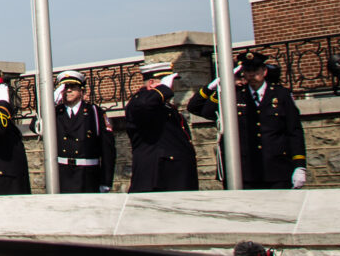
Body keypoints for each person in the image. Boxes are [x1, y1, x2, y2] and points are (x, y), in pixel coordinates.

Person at [232, 52, 308, 189]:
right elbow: (201, 108)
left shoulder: (281, 95)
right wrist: (218, 85)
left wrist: (299, 166)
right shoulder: (236, 96)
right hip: (248, 172)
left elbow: (294, 131)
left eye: (256, 70)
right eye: (248, 70)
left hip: (278, 170)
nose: (252, 74)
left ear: (264, 71)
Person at [123, 61, 199, 192]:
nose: (171, 88)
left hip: (175, 177)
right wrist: (163, 89)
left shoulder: (166, 107)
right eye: (167, 83)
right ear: (152, 83)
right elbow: (145, 104)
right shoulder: (138, 102)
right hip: (158, 177)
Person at [52, 70, 115, 193]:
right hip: (63, 174)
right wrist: (49, 104)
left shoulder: (94, 112)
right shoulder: (55, 113)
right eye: (65, 88)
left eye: (73, 87)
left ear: (81, 91)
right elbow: (36, 127)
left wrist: (106, 181)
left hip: (87, 175)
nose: (68, 91)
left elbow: (108, 149)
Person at [187, 65, 246, 184]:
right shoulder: (225, 96)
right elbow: (194, 107)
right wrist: (210, 88)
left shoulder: (247, 95)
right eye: (237, 77)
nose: (241, 81)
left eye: (243, 77)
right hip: (232, 158)